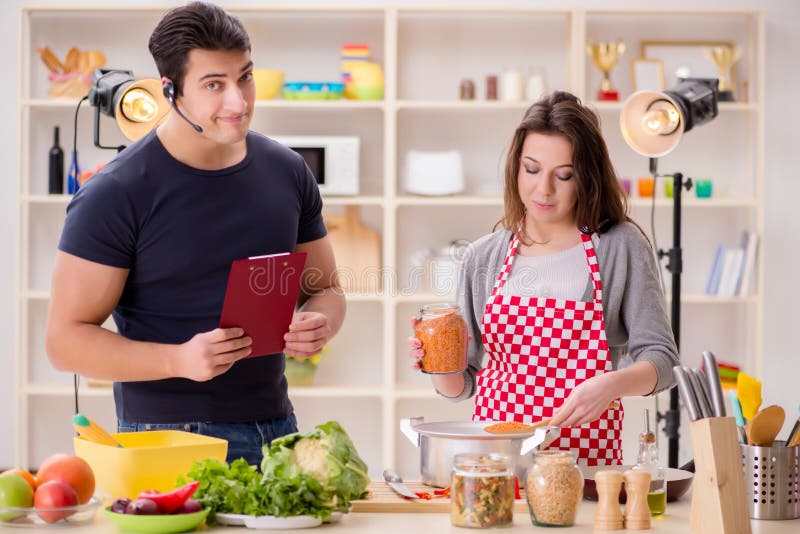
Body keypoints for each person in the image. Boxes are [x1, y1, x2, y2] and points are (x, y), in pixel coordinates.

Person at [45, 2, 345, 466]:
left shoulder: (288, 171)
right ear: (171, 91)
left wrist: (321, 322)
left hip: (278, 429)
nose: (238, 102)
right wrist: (177, 360)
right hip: (167, 440)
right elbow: (64, 342)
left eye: (245, 77)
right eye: (214, 85)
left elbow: (326, 289)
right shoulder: (117, 192)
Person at [409, 91, 679, 466]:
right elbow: (462, 386)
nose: (544, 189)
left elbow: (663, 362)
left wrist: (611, 385)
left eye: (563, 175)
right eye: (532, 169)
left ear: (586, 177)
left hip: (585, 468)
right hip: (498, 466)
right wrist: (437, 362)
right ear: (515, 169)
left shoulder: (620, 247)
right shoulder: (483, 257)